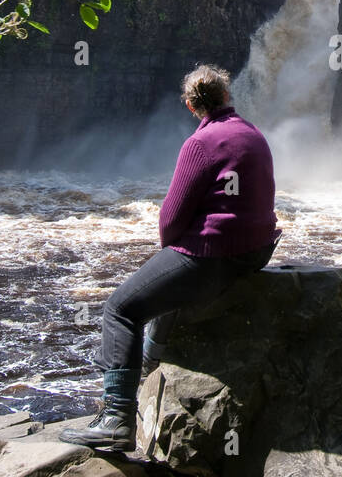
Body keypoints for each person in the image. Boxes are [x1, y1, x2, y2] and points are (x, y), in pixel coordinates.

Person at [61, 64, 280, 451]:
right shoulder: (254, 134)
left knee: (120, 309)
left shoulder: (200, 144)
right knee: (168, 286)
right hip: (256, 251)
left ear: (190, 105)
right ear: (228, 96)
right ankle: (149, 368)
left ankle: (116, 417)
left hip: (216, 254)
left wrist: (176, 245)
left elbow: (171, 219)